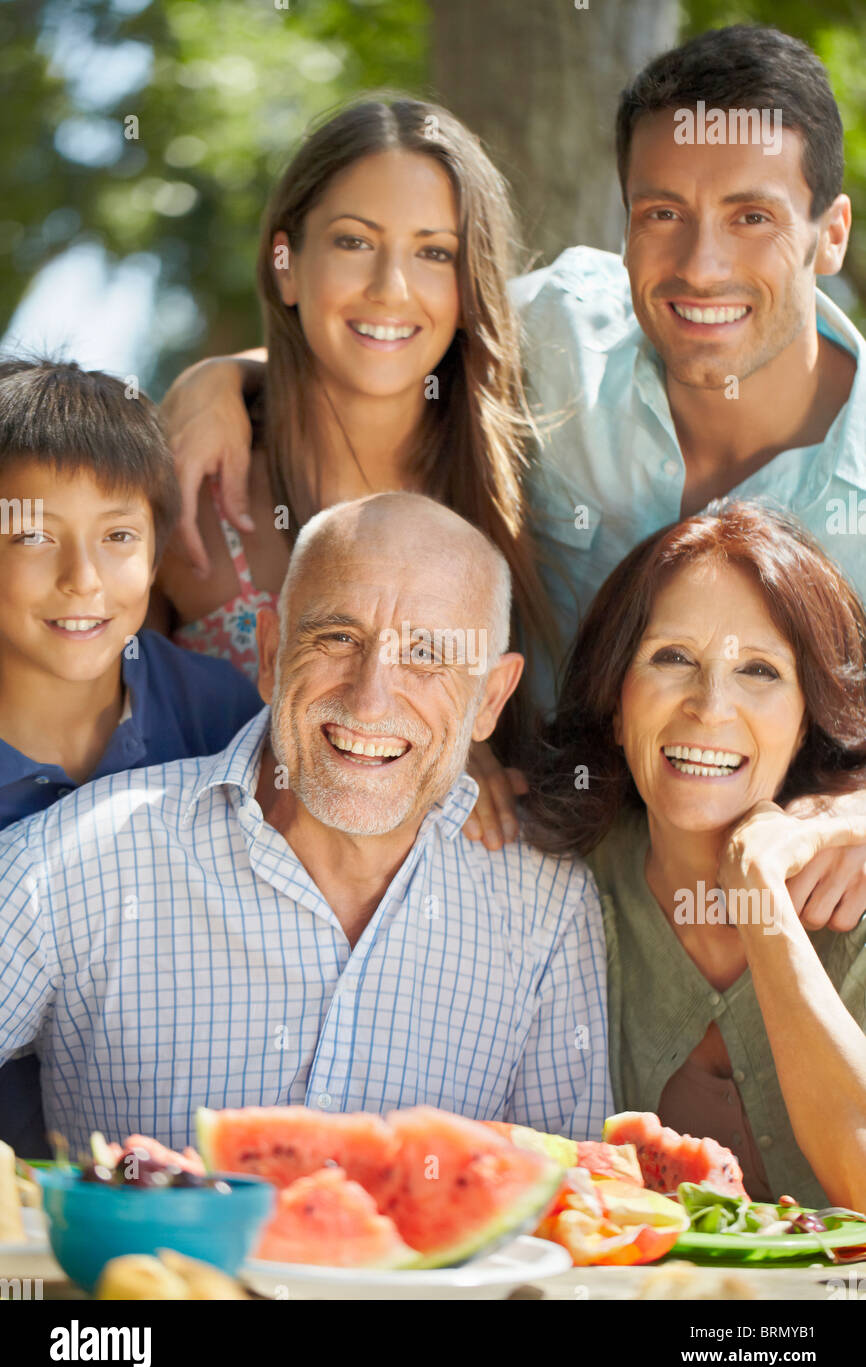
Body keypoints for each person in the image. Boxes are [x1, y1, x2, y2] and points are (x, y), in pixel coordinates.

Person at [159, 26, 866, 902]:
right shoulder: (564, 336)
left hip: (753, 910)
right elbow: (390, 339)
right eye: (662, 214)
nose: (701, 265)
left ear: (829, 234)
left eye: (751, 217)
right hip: (515, 873)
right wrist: (220, 382)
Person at [0, 493, 612, 1155]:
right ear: (270, 655)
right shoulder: (78, 861)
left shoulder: (546, 911)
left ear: (491, 698)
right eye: (339, 638)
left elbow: (569, 1203)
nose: (370, 696)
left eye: (427, 655)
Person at [150, 94, 558, 815]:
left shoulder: (513, 491)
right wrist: (212, 381)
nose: (390, 288)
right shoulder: (191, 484)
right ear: (285, 264)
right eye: (354, 241)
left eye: (435, 252)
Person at [527, 501, 866, 1210]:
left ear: (809, 720)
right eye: (673, 658)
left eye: (761, 671)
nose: (710, 706)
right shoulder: (552, 892)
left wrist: (760, 894)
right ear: (617, 706)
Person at [0, 358, 263, 1158]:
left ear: (156, 555)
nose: (82, 580)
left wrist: (224, 374)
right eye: (34, 536)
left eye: (117, 537)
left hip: (177, 1194)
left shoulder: (220, 714)